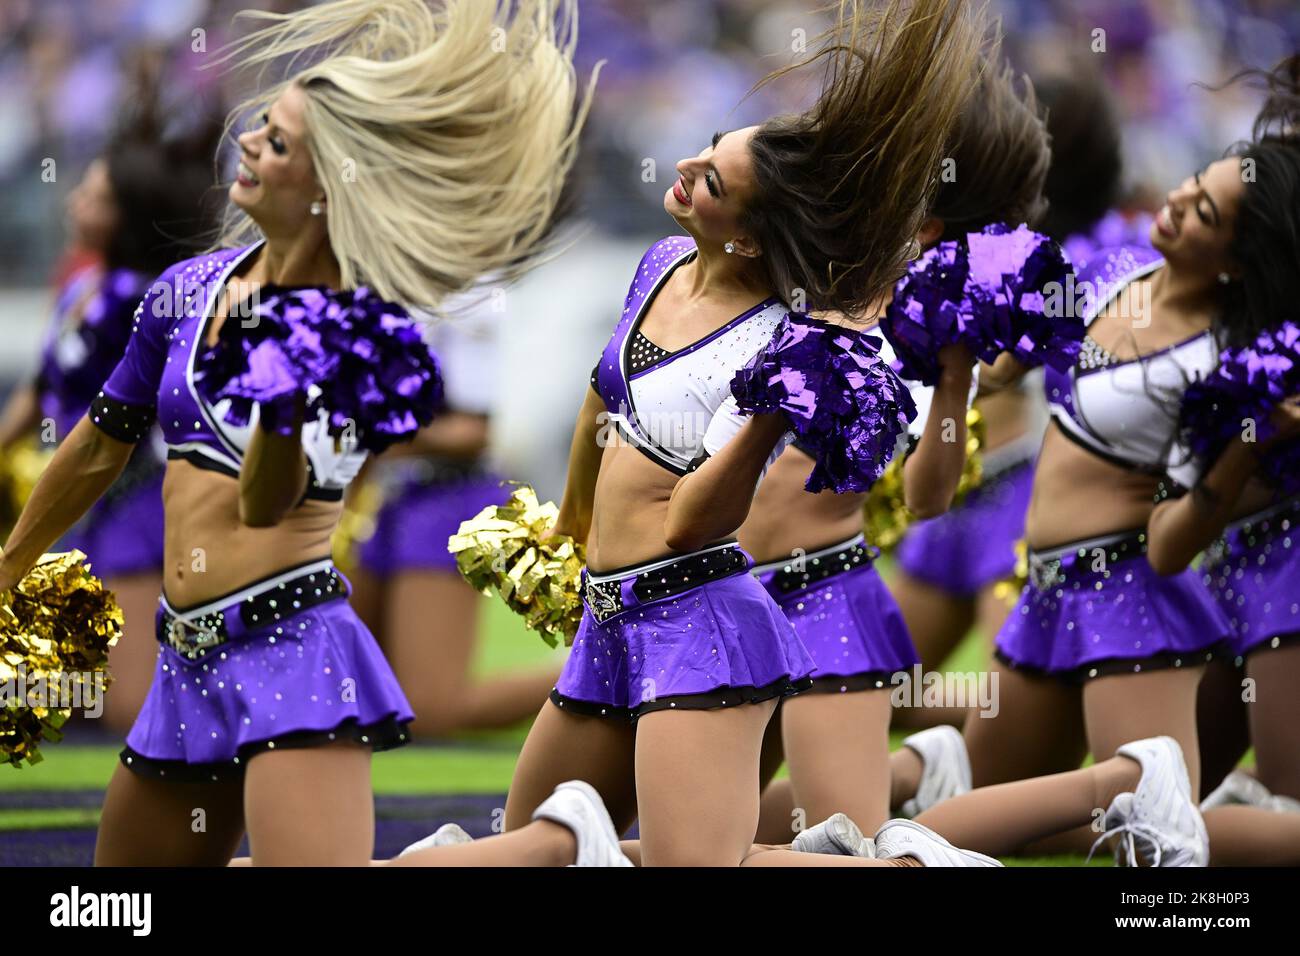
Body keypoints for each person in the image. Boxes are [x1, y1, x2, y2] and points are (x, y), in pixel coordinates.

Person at [0, 0, 593, 866]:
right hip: (183, 657)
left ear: (329, 184)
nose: (249, 146)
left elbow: (267, 504)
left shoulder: (362, 332)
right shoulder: (186, 288)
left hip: (291, 655)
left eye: (278, 144)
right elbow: (98, 440)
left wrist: (280, 398)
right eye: (260, 129)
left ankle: (552, 850)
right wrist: (11, 565)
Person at [497, 0, 1003, 868]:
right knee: (530, 849)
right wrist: (572, 534)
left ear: (750, 238)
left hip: (704, 617)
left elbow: (697, 522)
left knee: (693, 862)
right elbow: (599, 402)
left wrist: (797, 403)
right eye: (706, 152)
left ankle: (914, 862)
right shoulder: (658, 264)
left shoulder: (782, 341)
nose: (686, 168)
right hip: (612, 619)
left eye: (714, 182)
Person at [743, 51, 1052, 843]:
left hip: (825, 605)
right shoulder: (802, 269)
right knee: (699, 834)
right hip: (732, 600)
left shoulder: (920, 331)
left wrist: (956, 379)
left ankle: (1121, 781)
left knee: (847, 847)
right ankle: (921, 775)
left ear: (926, 227)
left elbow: (926, 498)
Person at [0, 73, 221, 731]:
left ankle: (235, 720)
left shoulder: (139, 296)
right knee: (77, 690)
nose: (72, 202)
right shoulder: (79, 288)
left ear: (125, 216)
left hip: (129, 503)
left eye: (92, 195)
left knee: (127, 706)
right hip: (77, 500)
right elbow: (39, 390)